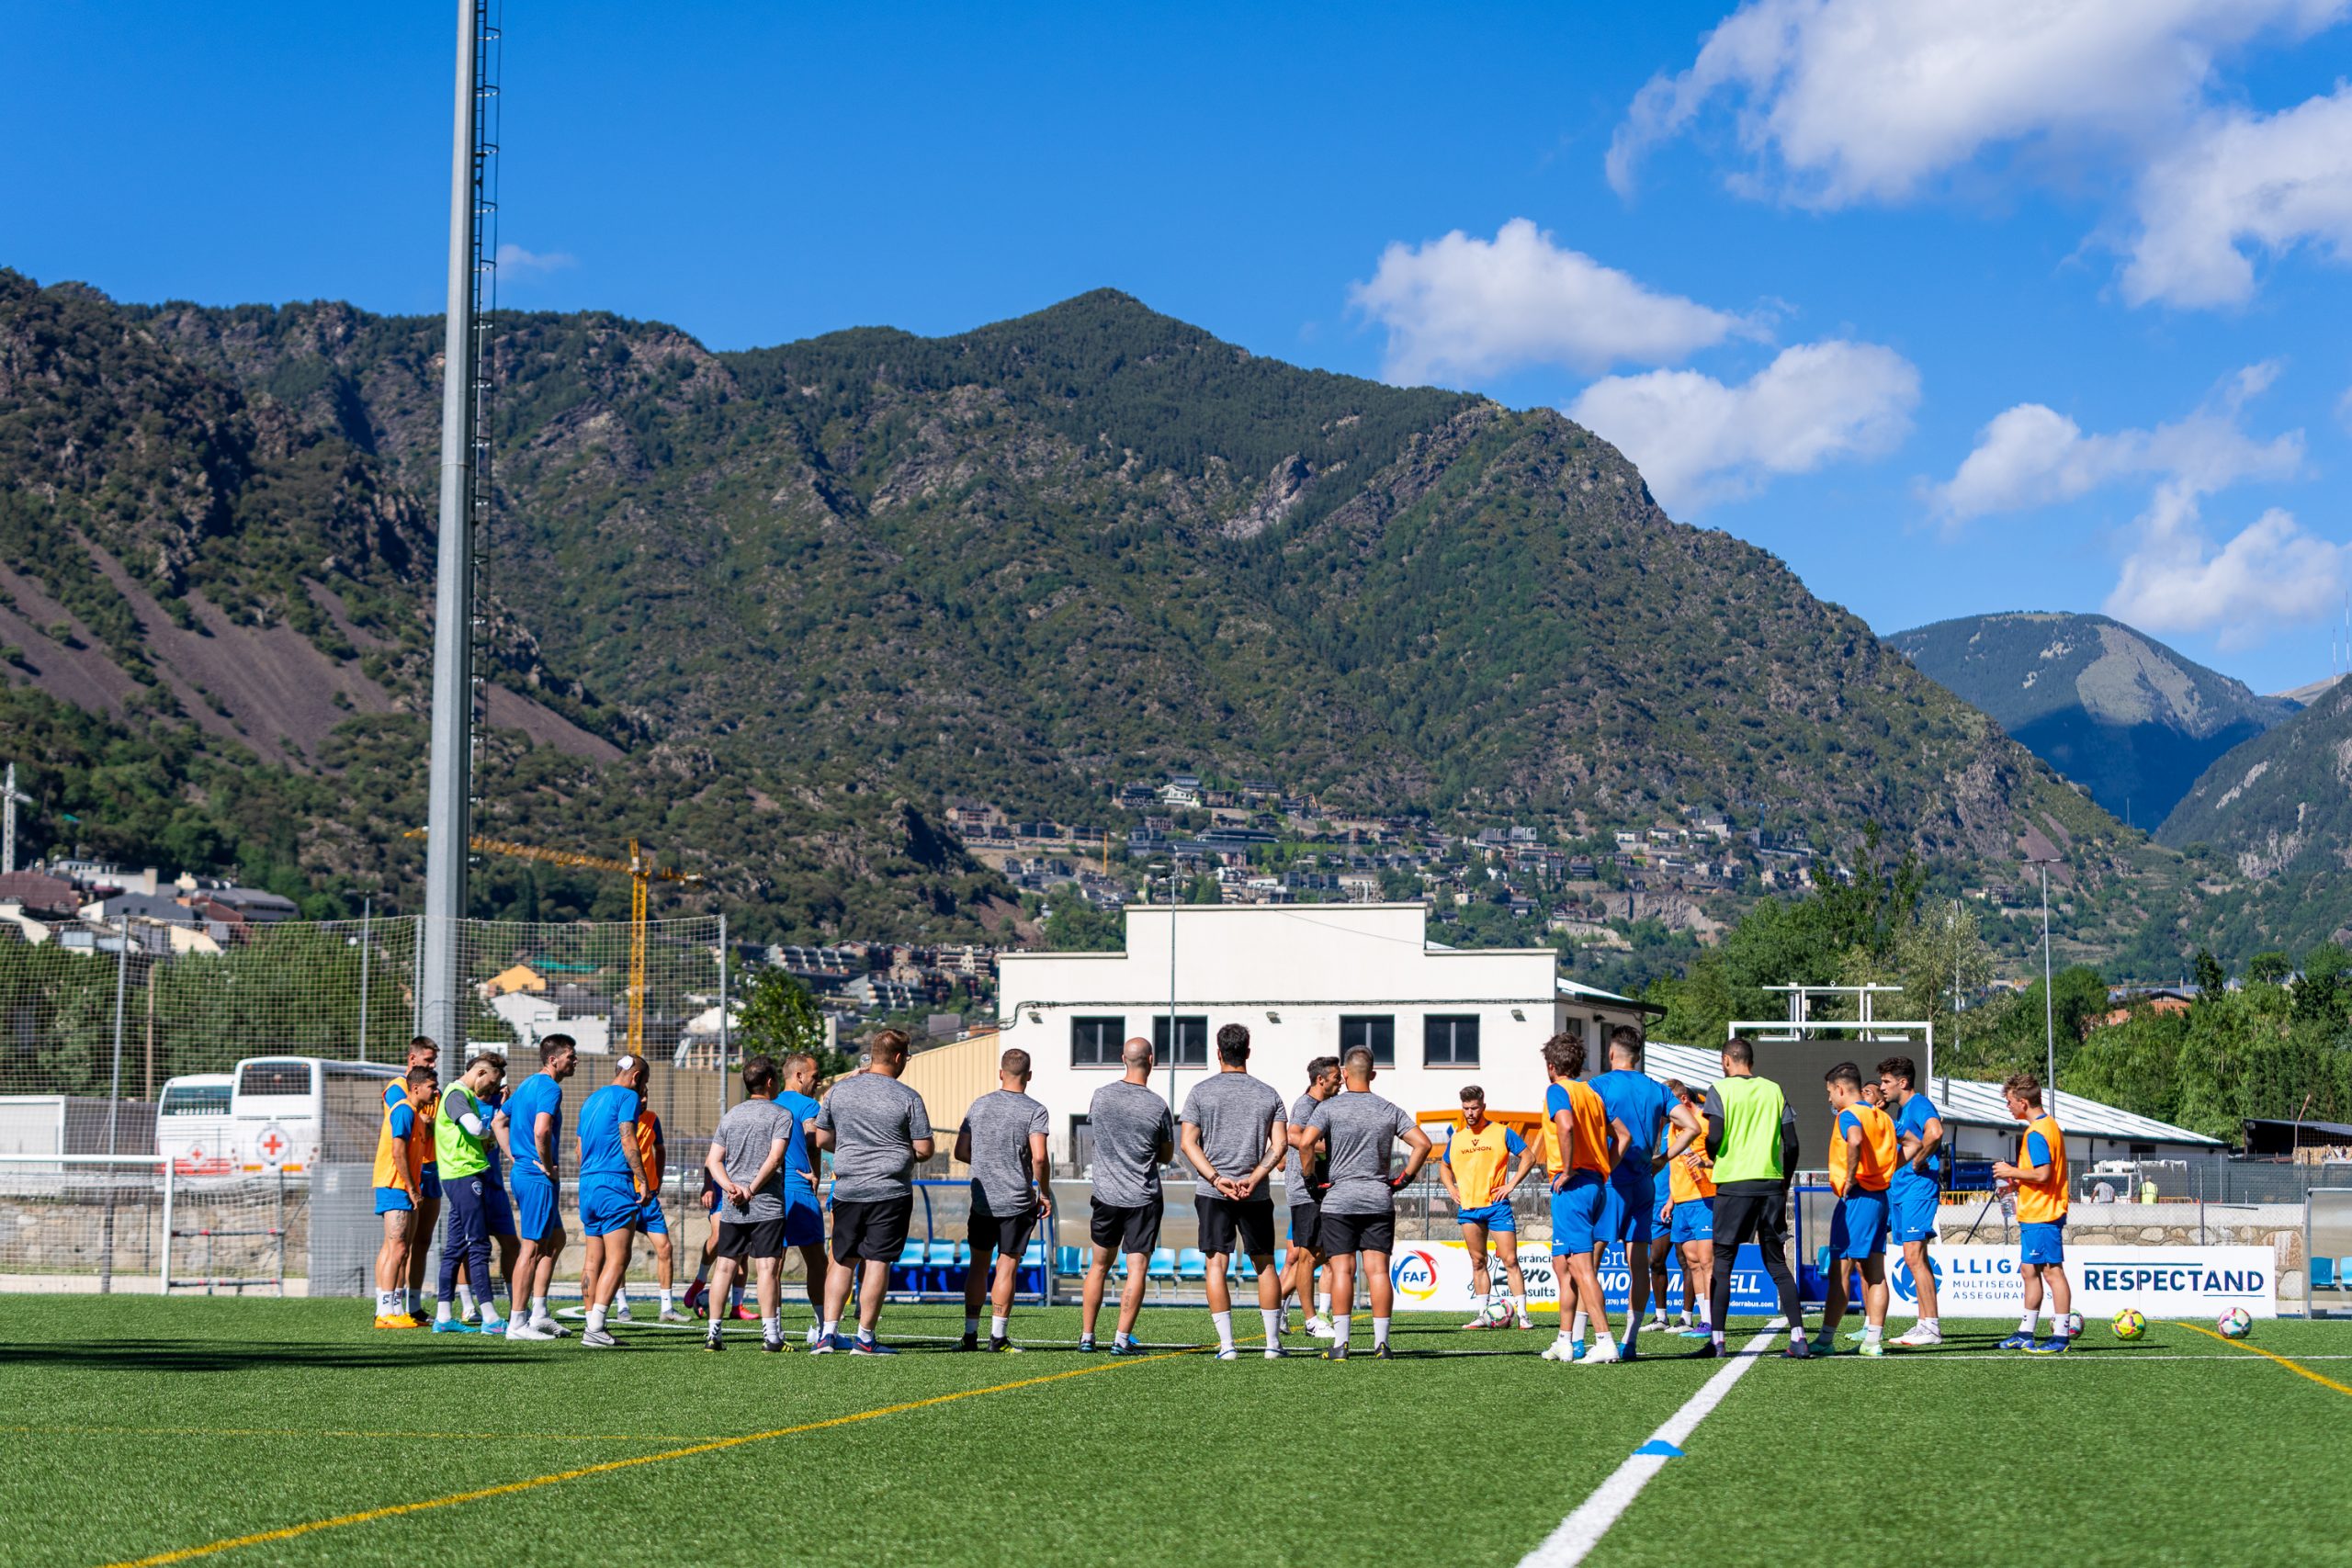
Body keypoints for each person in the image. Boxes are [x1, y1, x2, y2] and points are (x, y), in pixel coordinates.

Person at [1295, 1045, 1430, 1360]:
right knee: (1378, 1272)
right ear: (1372, 1074)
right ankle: (1382, 1344)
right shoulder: (1388, 1109)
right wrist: (1403, 1179)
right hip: (1377, 1199)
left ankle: (1341, 1345)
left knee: (1342, 1270)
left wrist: (1310, 1181)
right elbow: (1422, 1144)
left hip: (1339, 1200)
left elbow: (1304, 1143)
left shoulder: (1329, 1109)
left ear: (1344, 1073)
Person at [810, 1029, 934, 1355]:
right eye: (906, 1057)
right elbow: (924, 1149)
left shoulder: (838, 1092)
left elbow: (822, 1140)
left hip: (848, 1188)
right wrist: (897, 1149)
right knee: (877, 1261)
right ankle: (865, 1338)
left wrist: (852, 1148)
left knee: (841, 1260)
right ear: (897, 1057)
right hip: (889, 1190)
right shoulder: (908, 1096)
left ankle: (828, 1334)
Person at [1179, 1023, 1289, 1360]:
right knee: (1265, 1265)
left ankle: (1228, 1346)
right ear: (1248, 1051)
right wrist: (1255, 1177)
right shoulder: (1268, 1093)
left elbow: (1187, 1143)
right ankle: (1273, 1344)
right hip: (1254, 1193)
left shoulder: (1200, 1092)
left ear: (1218, 1052)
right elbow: (1280, 1144)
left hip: (1214, 1192)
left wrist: (1215, 1179)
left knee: (1217, 1265)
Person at [1589, 1026, 1700, 1360]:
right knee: (1637, 1264)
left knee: (1587, 1263)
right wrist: (1662, 1158)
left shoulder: (1598, 1086)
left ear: (1612, 1053)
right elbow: (1692, 1127)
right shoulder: (1656, 1089)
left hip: (1610, 1182)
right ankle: (1630, 1340)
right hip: (1643, 1183)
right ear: (1637, 1055)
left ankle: (1585, 1338)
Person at [1700, 1037, 1807, 1359]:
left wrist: (1712, 1152)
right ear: (1751, 1061)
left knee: (1723, 1264)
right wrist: (1783, 1181)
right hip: (1771, 1184)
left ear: (1726, 1060)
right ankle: (1799, 1338)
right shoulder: (1774, 1089)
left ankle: (1717, 1342)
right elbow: (1791, 1144)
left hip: (1734, 1185)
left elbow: (1715, 1136)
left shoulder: (1720, 1090)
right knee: (1776, 1263)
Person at [1080, 1037, 1175, 1356]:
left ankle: (1087, 1336)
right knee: (1136, 1269)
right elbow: (1164, 1155)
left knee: (1098, 1266)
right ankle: (1121, 1339)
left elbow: (1098, 1135)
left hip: (1106, 1194)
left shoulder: (1101, 1096)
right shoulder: (1158, 1105)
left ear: (1123, 1058)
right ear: (1152, 1060)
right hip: (1142, 1197)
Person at [955, 1047, 1053, 1352]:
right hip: (1016, 1200)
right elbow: (1039, 1157)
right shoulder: (1035, 1110)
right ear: (1029, 1076)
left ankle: (970, 1335)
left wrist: (986, 1161)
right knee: (1007, 1266)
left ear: (1001, 1073)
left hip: (983, 1199)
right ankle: (997, 1337)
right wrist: (1044, 1191)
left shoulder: (979, 1106)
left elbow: (960, 1151)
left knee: (978, 1266)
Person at [1538, 1033, 1625, 1365]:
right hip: (1593, 1185)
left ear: (1551, 1066)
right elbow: (1624, 1136)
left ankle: (1604, 1340)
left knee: (1582, 1267)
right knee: (1565, 1266)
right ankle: (1565, 1340)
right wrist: (1602, 1169)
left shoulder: (1557, 1090)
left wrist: (1571, 1168)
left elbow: (1566, 1125)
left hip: (1573, 1187)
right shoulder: (1591, 1093)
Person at [703, 1055, 796, 1353]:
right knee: (767, 1269)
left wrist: (731, 1187)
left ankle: (713, 1336)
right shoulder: (781, 1115)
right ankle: (771, 1337)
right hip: (766, 1205)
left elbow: (713, 1161)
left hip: (733, 1205)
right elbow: (775, 1157)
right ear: (770, 1082)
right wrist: (752, 1189)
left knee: (724, 1268)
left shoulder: (731, 1115)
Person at [496, 1033, 576, 1341]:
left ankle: (539, 1314)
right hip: (536, 1177)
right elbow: (541, 1130)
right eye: (571, 1055)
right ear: (553, 1060)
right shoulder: (548, 1088)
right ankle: (517, 1323)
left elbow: (498, 1121)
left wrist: (515, 1155)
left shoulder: (528, 1083)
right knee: (530, 1249)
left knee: (555, 1240)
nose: (575, 1060)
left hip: (527, 1172)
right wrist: (542, 1162)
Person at [1814, 1062, 1896, 1358]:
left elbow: (1856, 1139)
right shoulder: (1881, 1116)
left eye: (1829, 1093)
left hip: (1858, 1196)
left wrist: (1850, 1176)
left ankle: (1825, 1339)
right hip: (1879, 1198)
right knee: (1876, 1273)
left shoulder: (1849, 1115)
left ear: (1840, 1089)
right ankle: (1872, 1340)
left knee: (1840, 1270)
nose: (1829, 1100)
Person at [1437, 1084, 1536, 1330]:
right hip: (1469, 1208)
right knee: (1477, 1261)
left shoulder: (1502, 1132)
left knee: (1510, 1260)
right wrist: (1451, 1188)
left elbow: (1529, 1157)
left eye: (1474, 1108)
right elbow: (1444, 1165)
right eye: (1465, 1108)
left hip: (1497, 1206)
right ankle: (1483, 1314)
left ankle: (1523, 1315)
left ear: (1483, 1106)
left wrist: (1511, 1184)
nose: (1470, 1113)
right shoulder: (1457, 1138)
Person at [1993, 1071, 2073, 1355]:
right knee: (2029, 1270)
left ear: (2023, 1102)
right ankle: (2026, 1332)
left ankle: (2061, 1336)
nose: (2008, 1107)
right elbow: (2041, 1175)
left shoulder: (2038, 1132)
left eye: (2010, 1101)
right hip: (2037, 1212)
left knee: (2052, 1273)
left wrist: (2009, 1171)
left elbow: (2043, 1173)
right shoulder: (2047, 1126)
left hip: (2043, 1213)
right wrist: (2016, 1182)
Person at [574, 1055, 651, 1348]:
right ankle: (596, 1328)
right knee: (619, 1258)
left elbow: (579, 1149)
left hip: (588, 1183)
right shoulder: (628, 1097)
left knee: (593, 1259)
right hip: (614, 1185)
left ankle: (590, 1321)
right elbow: (628, 1137)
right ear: (635, 1078)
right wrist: (642, 1179)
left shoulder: (591, 1100)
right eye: (644, 1082)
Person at [431, 1052, 508, 1336]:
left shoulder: (460, 1094)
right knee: (479, 1244)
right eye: (491, 1083)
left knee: (455, 1248)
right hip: (464, 1176)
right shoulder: (457, 1093)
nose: (491, 1091)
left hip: (458, 1175)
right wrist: (488, 1134)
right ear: (480, 1074)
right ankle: (489, 1316)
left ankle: (443, 1317)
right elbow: (475, 1128)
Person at [1879, 1055, 1946, 1348]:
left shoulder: (1918, 1104)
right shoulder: (1905, 1112)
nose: (1882, 1087)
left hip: (1918, 1189)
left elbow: (1936, 1132)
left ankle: (1931, 1327)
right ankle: (1925, 1323)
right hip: (1905, 1190)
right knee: (1913, 1257)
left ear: (1902, 1083)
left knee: (1914, 1256)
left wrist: (1919, 1160)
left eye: (1886, 1082)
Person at [370, 1063, 437, 1329]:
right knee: (396, 1247)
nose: (435, 1093)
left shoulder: (416, 1114)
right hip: (395, 1185)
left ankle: (396, 1309)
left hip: (404, 1187)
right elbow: (398, 1152)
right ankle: (385, 1312)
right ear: (416, 1087)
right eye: (431, 1087)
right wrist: (411, 1187)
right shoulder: (404, 1112)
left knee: (401, 1249)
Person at [1282, 1055, 1342, 1337]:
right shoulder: (1306, 1105)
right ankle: (1310, 1321)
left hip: (1322, 1190)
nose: (1340, 1082)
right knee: (1305, 1256)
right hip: (1305, 1190)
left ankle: (1277, 1299)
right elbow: (1293, 1136)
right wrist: (1329, 1148)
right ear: (1321, 1080)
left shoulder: (1327, 1106)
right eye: (1335, 1078)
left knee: (1324, 1254)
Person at [776, 1051, 831, 1343]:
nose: (818, 1081)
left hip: (771, 1192)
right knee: (817, 1262)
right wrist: (815, 1171)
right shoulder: (808, 1104)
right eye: (814, 1075)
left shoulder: (770, 1105)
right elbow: (813, 1138)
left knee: (772, 1263)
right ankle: (823, 1326)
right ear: (798, 1076)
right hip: (798, 1189)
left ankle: (774, 1330)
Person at [618, 1095, 684, 1323]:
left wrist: (657, 1181)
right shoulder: (619, 1118)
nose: (645, 1099)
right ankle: (622, 1306)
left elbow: (660, 1149)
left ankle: (667, 1308)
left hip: (650, 1198)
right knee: (620, 1253)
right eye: (640, 1095)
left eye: (647, 1094)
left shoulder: (652, 1119)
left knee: (665, 1247)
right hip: (626, 1196)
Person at [387, 1036, 440, 1319]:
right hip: (405, 1172)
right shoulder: (397, 1089)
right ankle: (387, 1306)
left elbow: (438, 1124)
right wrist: (428, 1123)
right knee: (395, 1243)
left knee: (422, 1241)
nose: (433, 1065)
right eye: (429, 1060)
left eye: (434, 1061)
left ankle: (414, 1306)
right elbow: (412, 1120)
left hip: (431, 1169)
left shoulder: (435, 1092)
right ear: (412, 1059)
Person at [1658, 1079, 1715, 1338]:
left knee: (1707, 1261)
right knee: (1692, 1261)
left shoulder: (1705, 1121)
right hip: (1681, 1202)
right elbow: (1676, 1168)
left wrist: (1705, 1162)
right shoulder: (1672, 1127)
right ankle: (1704, 1321)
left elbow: (1727, 1154)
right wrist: (1671, 1200)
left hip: (1705, 1199)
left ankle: (1713, 1321)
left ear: (1683, 1101)